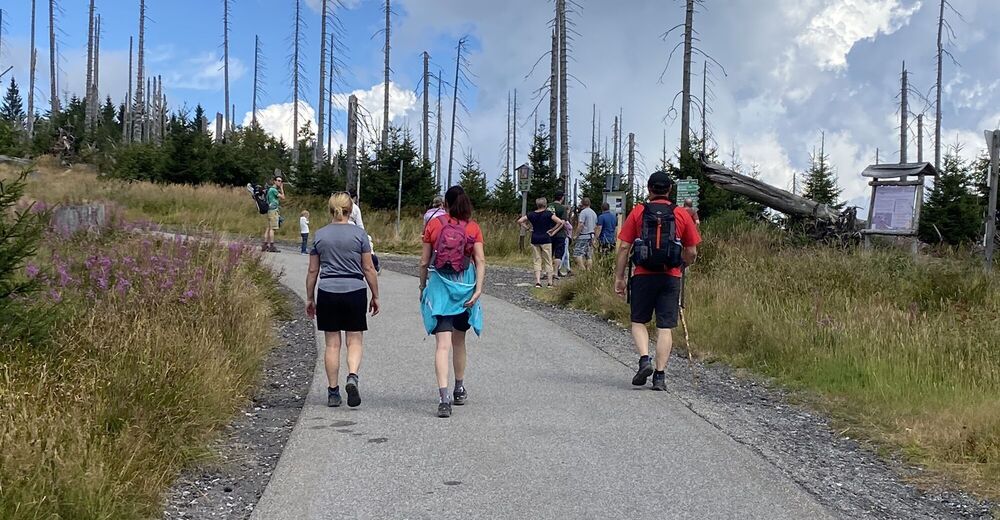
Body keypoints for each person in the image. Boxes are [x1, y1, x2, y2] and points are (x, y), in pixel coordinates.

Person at [614, 171, 700, 392]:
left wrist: (620, 277)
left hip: (643, 274)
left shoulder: (639, 212)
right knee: (665, 326)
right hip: (670, 276)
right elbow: (691, 251)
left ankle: (644, 360)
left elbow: (624, 246)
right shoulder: (681, 214)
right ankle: (660, 377)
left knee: (638, 321)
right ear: (669, 190)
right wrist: (681, 266)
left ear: (649, 189)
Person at [306, 192, 381, 408]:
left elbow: (313, 270)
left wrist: (310, 298)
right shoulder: (360, 235)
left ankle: (333, 392)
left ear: (330, 210)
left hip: (328, 291)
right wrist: (375, 295)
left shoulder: (320, 235)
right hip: (355, 290)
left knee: (332, 344)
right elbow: (368, 268)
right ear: (351, 210)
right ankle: (352, 376)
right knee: (354, 340)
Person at [419, 186, 486, 418]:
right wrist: (478, 289)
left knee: (442, 345)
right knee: (459, 342)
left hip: (440, 290)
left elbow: (424, 261)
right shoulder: (473, 227)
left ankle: (443, 397)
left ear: (445, 204)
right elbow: (480, 260)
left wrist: (422, 286)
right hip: (464, 290)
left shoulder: (434, 225)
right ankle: (459, 388)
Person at [517, 198, 564, 288]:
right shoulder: (548, 214)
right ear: (545, 205)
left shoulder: (531, 214)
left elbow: (520, 221)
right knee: (548, 260)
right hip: (546, 238)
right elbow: (560, 222)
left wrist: (527, 228)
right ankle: (550, 282)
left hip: (535, 238)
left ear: (537, 204)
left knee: (537, 260)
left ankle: (538, 282)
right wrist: (552, 230)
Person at [573, 197, 598, 271]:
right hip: (591, 235)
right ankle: (589, 271)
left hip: (583, 235)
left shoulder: (583, 212)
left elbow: (581, 224)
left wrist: (576, 235)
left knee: (577, 254)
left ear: (582, 204)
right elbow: (596, 226)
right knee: (589, 255)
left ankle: (582, 269)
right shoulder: (594, 213)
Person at [263, 176, 285, 253]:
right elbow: (283, 197)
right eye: (278, 180)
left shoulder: (270, 190)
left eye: (281, 181)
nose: (280, 182)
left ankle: (265, 245)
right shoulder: (273, 190)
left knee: (268, 228)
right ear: (274, 181)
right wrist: (282, 188)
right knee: (273, 228)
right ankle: (271, 245)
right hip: (273, 211)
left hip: (269, 210)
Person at [549, 191, 568, 278]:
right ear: (562, 198)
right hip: (560, 234)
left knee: (549, 253)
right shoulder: (562, 208)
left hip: (548, 232)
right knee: (558, 253)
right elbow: (562, 223)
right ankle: (555, 272)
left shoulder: (548, 207)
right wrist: (555, 231)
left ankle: (547, 272)